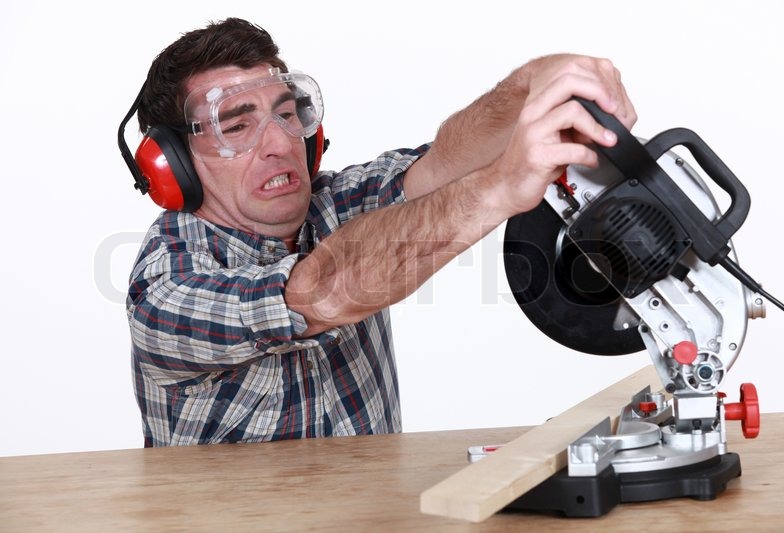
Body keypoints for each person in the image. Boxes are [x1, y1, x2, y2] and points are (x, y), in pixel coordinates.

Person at [125, 17, 636, 447]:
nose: (279, 141)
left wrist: (531, 86)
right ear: (171, 166)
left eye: (286, 113)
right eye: (237, 126)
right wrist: (501, 187)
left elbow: (445, 165)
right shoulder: (164, 283)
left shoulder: (332, 206)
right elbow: (319, 292)